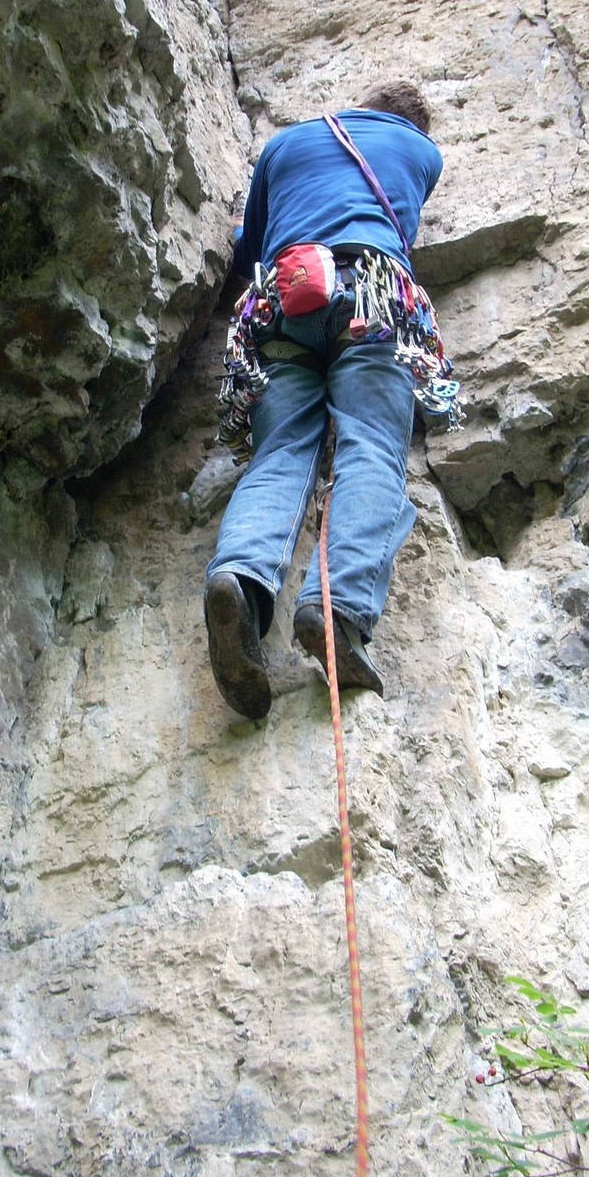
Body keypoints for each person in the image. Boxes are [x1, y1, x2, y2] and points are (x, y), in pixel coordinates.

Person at [204, 79, 444, 718]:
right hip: (371, 297)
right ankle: (335, 611)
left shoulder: (283, 146)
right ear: (413, 124)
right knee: (372, 448)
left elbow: (249, 246)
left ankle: (241, 579)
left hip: (282, 301)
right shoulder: (422, 153)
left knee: (280, 452)